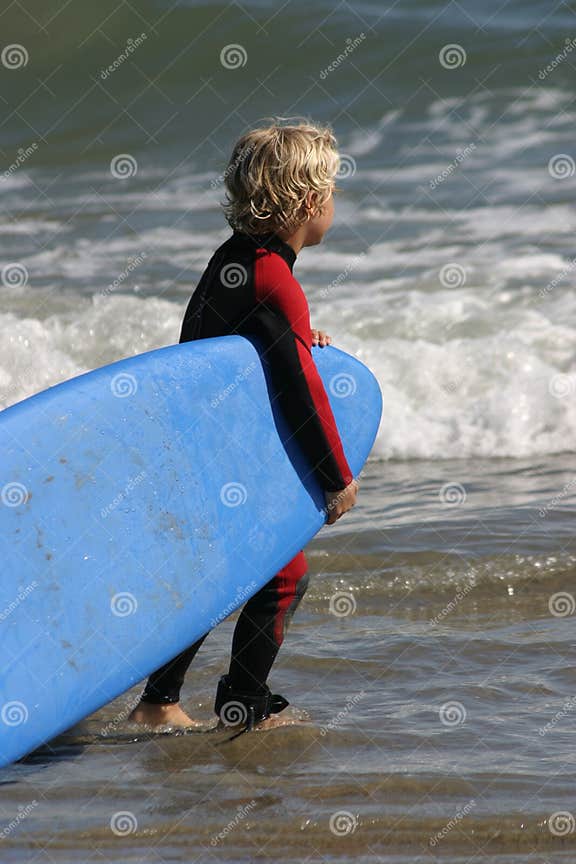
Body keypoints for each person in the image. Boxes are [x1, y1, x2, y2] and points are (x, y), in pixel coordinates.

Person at [128, 120, 359, 736]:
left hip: (201, 447)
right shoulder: (274, 278)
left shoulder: (237, 261)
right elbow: (299, 386)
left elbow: (239, 346)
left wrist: (291, 336)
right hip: (224, 457)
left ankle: (160, 702)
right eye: (332, 191)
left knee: (218, 575)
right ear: (310, 203)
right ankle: (243, 704)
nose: (335, 203)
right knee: (284, 576)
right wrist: (335, 478)